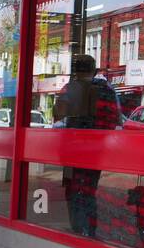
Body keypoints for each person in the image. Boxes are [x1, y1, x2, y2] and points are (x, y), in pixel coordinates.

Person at [52, 54, 122, 237]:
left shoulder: (68, 90)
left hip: (71, 153)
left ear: (75, 71)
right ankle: (89, 231)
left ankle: (77, 230)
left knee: (72, 190)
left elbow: (57, 118)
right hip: (96, 152)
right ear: (95, 71)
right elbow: (115, 121)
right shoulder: (107, 91)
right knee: (90, 190)